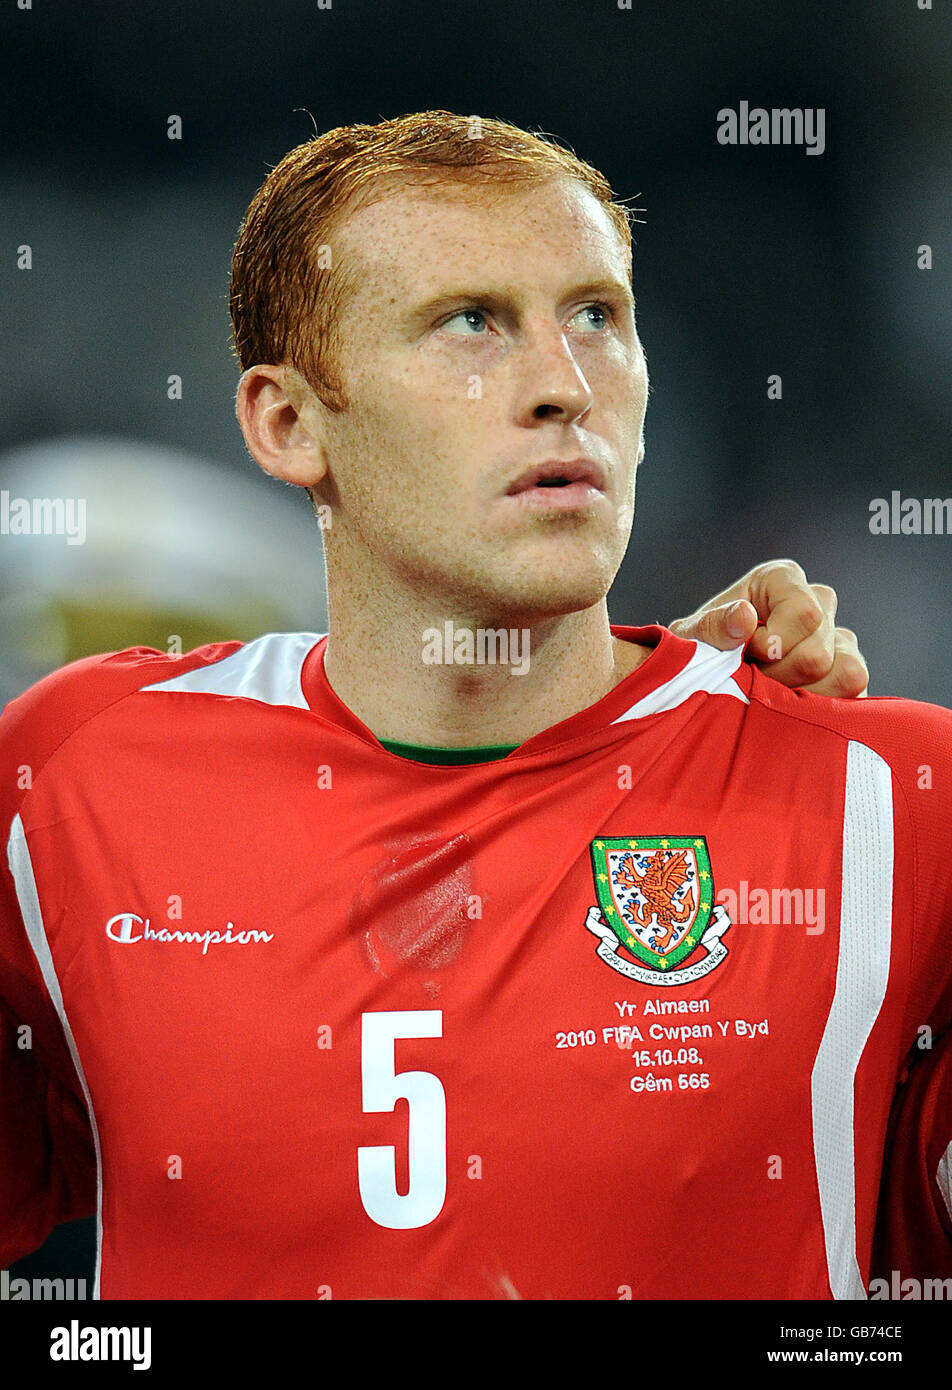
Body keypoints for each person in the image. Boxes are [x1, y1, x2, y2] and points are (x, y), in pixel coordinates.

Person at [1, 110, 942, 1301]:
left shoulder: (889, 802)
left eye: (597, 315)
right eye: (469, 324)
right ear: (287, 424)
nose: (563, 387)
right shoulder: (71, 782)